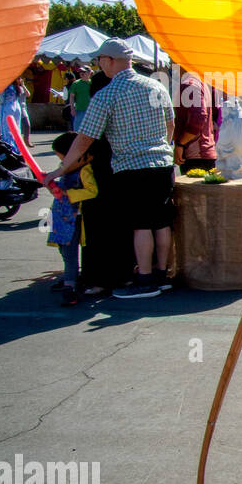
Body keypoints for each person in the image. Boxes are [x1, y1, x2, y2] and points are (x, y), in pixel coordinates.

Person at [43, 38, 175, 299]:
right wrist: (164, 148)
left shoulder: (107, 94)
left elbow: (84, 139)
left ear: (108, 60)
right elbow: (170, 123)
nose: (99, 65)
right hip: (162, 163)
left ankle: (145, 280)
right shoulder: (155, 86)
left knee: (141, 225)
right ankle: (162, 274)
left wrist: (58, 171)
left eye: (100, 60)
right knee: (161, 222)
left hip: (131, 166)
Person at [45, 132, 98, 307]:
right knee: (63, 249)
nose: (62, 163)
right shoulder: (68, 169)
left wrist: (70, 194)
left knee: (70, 253)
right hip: (61, 218)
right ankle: (71, 277)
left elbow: (92, 191)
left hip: (73, 220)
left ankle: (71, 284)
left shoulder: (84, 170)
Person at [173, 71, 217, 175]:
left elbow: (199, 118)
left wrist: (180, 144)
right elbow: (215, 114)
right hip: (205, 151)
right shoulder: (203, 82)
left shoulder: (189, 84)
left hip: (195, 154)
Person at [69, 67, 93, 132]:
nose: (81, 73)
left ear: (89, 73)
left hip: (92, 111)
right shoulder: (76, 83)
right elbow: (71, 97)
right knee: (77, 131)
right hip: (79, 110)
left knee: (90, 131)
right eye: (80, 72)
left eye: (83, 72)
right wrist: (72, 109)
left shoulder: (93, 83)